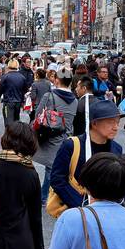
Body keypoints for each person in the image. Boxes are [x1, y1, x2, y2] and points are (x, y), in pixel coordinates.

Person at [32, 70, 78, 202]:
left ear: (57, 80)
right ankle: (48, 195)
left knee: (51, 168)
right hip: (67, 136)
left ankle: (45, 196)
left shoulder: (49, 96)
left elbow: (38, 115)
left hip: (51, 135)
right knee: (57, 166)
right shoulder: (74, 100)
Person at [0, 59, 29, 124]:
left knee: (8, 121)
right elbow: (25, 90)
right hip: (18, 101)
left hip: (8, 101)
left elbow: (0, 90)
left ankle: (9, 133)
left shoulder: (5, 77)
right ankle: (16, 133)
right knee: (16, 120)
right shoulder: (22, 77)